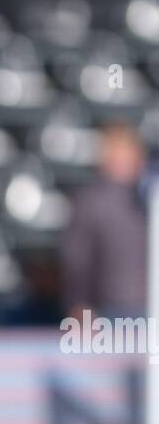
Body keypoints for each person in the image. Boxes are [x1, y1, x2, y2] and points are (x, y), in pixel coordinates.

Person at [59, 122, 148, 322]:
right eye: (118, 153)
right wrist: (79, 304)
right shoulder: (90, 202)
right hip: (108, 310)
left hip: (148, 307)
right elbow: (76, 260)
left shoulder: (149, 200)